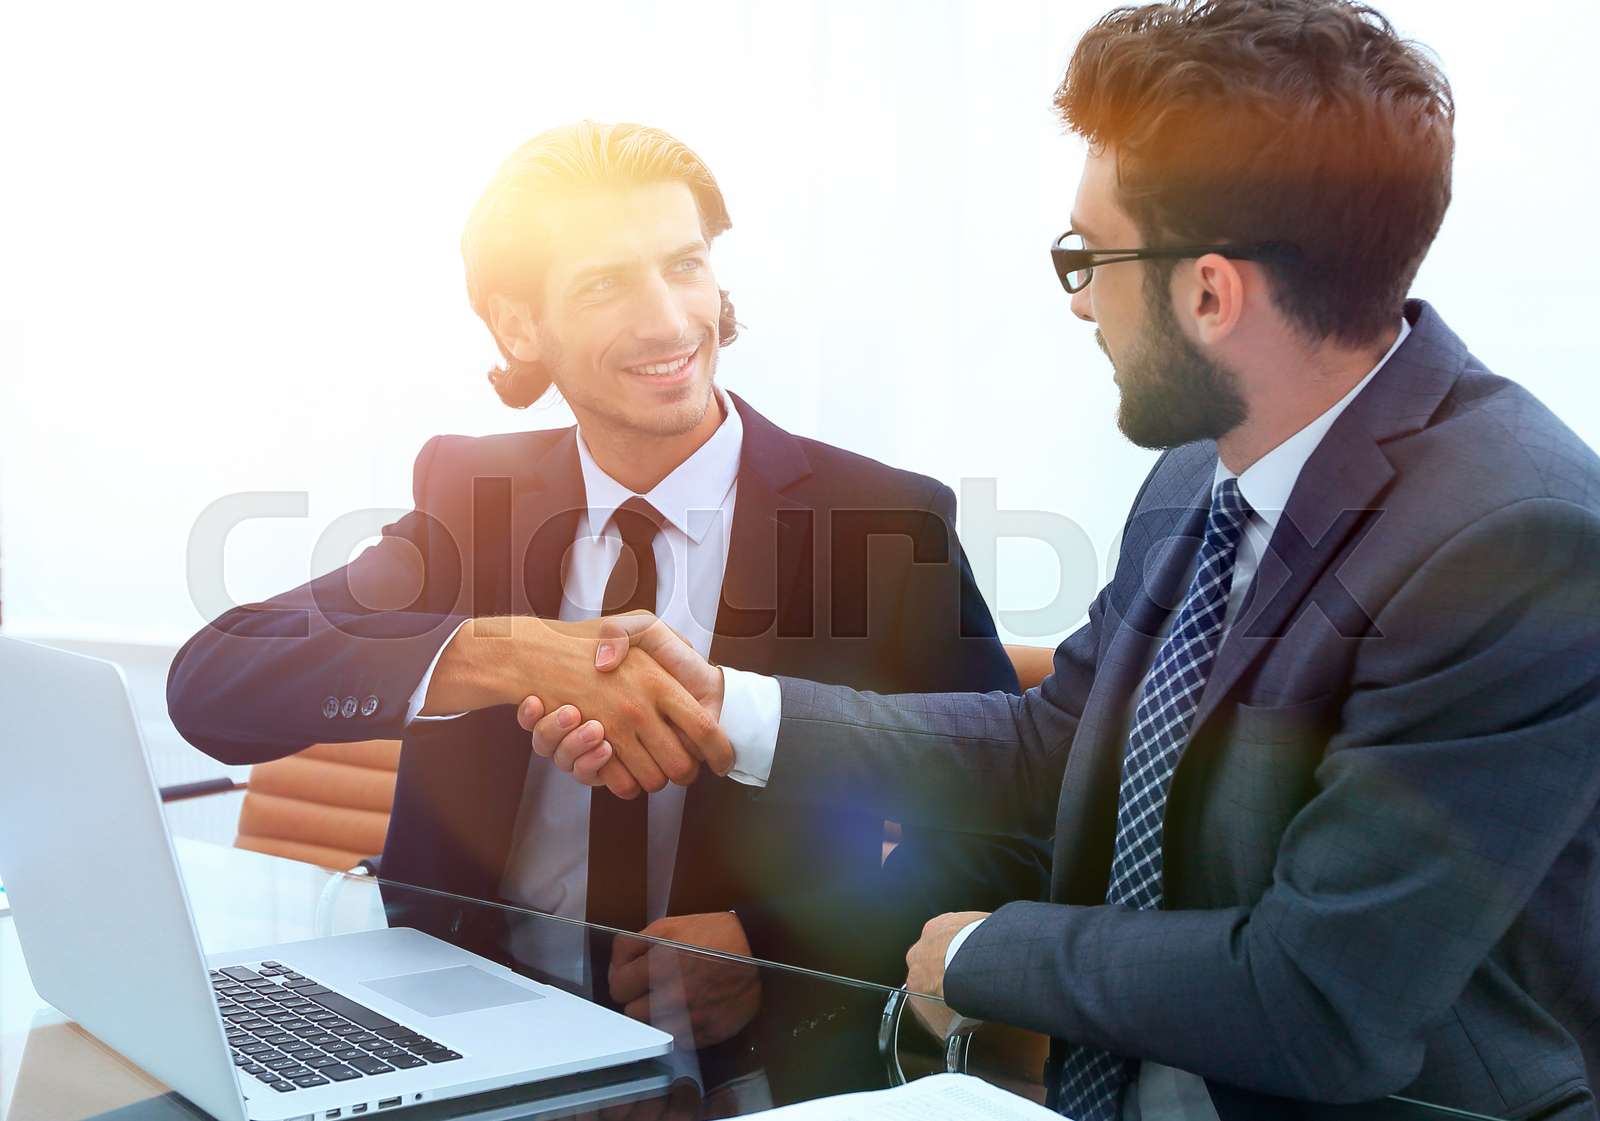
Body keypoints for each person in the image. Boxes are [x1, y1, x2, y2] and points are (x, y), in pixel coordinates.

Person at [526, 5, 1600, 1118]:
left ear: (1209, 293)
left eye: (1086, 257)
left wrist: (988, 951)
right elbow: (1058, 740)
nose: (1079, 300)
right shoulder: (1201, 471)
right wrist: (727, 709)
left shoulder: (1513, 540)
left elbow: (1319, 1002)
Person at [166, 121, 1046, 1045]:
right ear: (518, 323)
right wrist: (498, 652)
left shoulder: (882, 520)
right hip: (465, 1036)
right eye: (603, 284)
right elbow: (214, 684)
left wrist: (776, 942)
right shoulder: (474, 495)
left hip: (747, 1071)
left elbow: (1012, 826)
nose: (668, 320)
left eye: (684, 265)